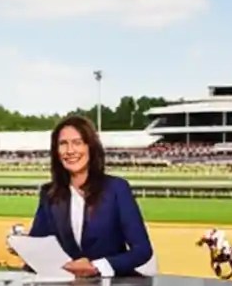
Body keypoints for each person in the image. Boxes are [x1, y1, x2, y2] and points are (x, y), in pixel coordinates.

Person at [27, 115, 154, 277]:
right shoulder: (49, 193)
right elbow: (37, 244)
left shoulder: (117, 189)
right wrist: (24, 247)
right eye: (63, 144)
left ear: (90, 147)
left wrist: (97, 267)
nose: (70, 150)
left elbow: (142, 250)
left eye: (77, 143)